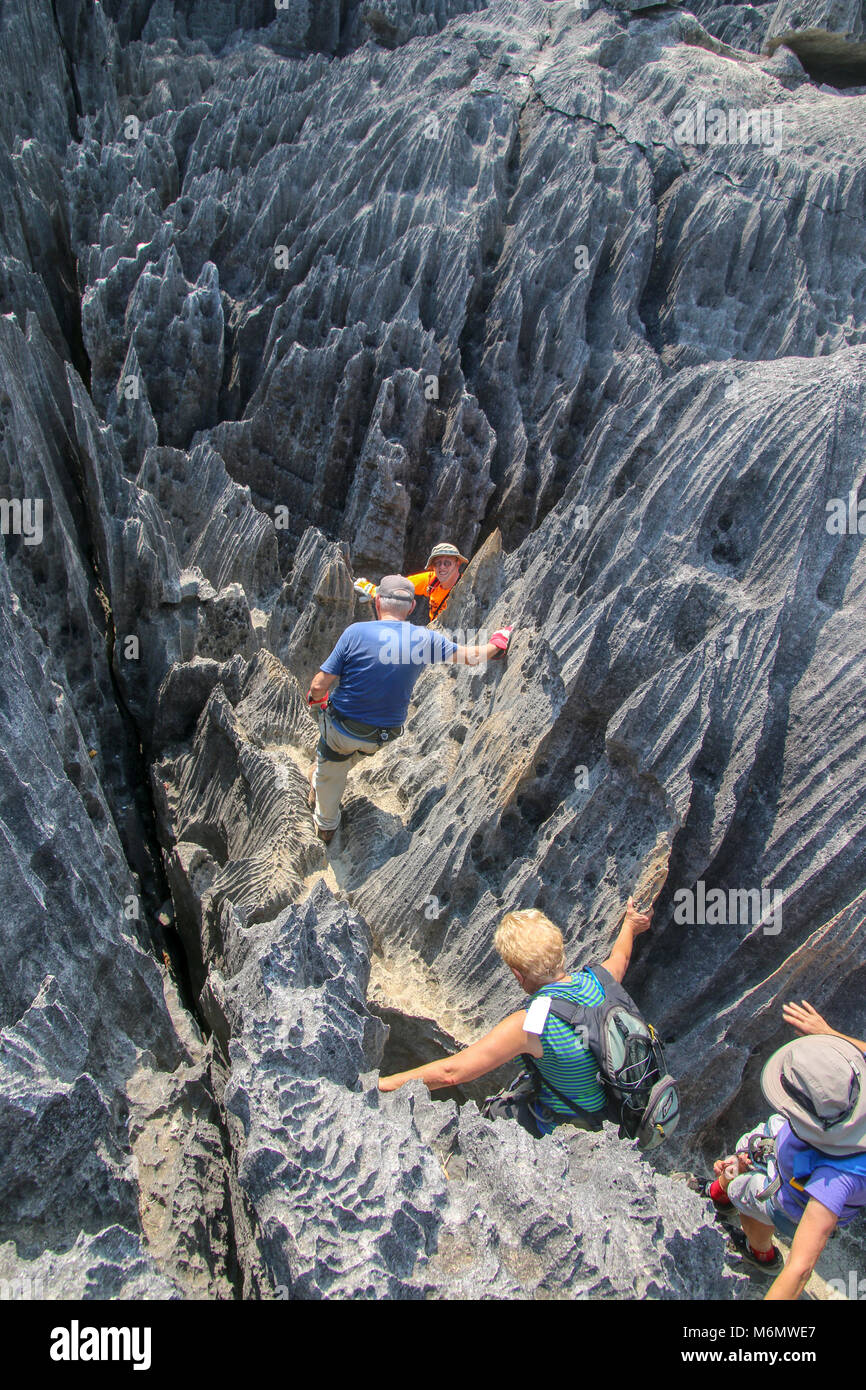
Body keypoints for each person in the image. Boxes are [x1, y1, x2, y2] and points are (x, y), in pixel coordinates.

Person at [378, 898, 652, 1138]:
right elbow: (621, 957)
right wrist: (629, 924)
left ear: (518, 975)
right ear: (560, 951)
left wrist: (382, 1085)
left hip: (568, 1125)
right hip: (617, 1110)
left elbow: (452, 1073)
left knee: (493, 1117)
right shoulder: (600, 980)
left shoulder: (530, 1025)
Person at [306, 574, 512, 843]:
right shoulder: (425, 639)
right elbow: (472, 658)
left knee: (330, 759)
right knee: (346, 750)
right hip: (384, 735)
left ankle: (326, 826)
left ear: (377, 601)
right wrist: (497, 645)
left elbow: (319, 685)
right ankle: (333, 765)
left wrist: (317, 705)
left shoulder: (355, 632)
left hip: (343, 728)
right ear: (412, 608)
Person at [701, 1008, 866, 1299]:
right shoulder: (850, 1092)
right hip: (798, 1157)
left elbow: (800, 1269)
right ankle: (733, 1176)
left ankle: (760, 1254)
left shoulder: (838, 1179)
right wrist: (831, 1035)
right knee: (751, 1140)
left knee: (743, 1189)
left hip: (793, 1201)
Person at [354, 542, 469, 626]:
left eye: (447, 563)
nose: (442, 567)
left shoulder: (466, 588)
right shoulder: (432, 581)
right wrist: (373, 590)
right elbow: (398, 586)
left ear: (457, 564)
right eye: (437, 563)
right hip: (436, 632)